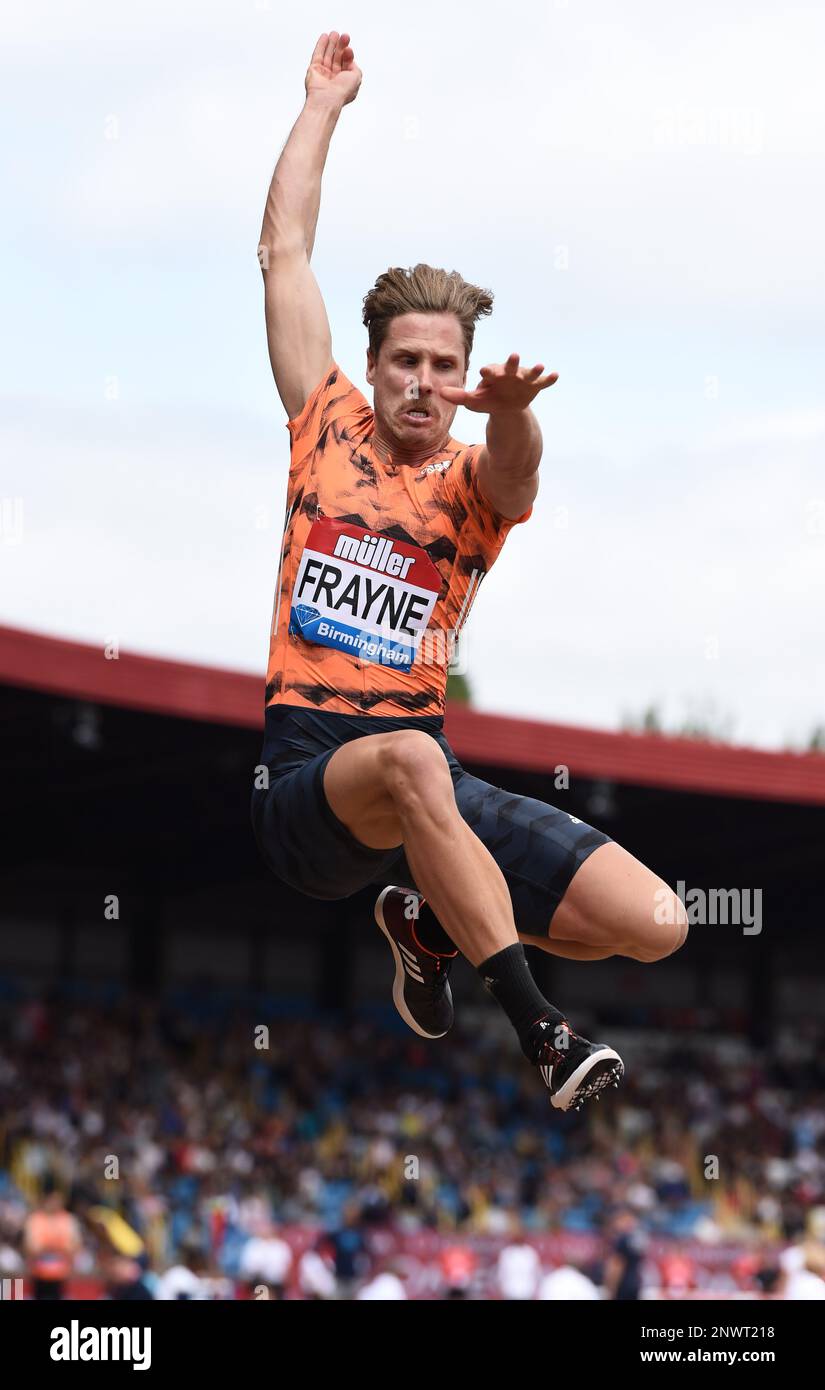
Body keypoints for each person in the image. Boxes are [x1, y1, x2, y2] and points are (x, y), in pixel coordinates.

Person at [251, 31, 689, 1113]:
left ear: (462, 381)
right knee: (405, 758)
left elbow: (515, 467)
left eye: (444, 368)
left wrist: (516, 415)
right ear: (376, 361)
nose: (423, 383)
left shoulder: (471, 483)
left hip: (424, 777)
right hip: (311, 777)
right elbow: (284, 255)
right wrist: (323, 107)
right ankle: (540, 1030)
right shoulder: (324, 424)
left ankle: (427, 922)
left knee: (660, 923)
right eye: (405, 360)